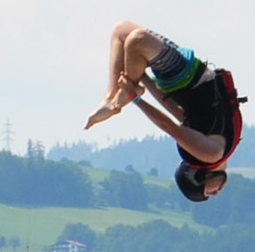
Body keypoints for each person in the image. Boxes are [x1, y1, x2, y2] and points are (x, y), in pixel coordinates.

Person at [83, 21, 244, 201]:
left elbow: (170, 126)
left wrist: (135, 98)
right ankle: (112, 98)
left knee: (133, 38)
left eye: (209, 192)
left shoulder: (210, 154)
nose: (216, 193)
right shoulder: (218, 148)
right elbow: (176, 111)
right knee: (123, 32)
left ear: (196, 177)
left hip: (182, 75)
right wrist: (143, 79)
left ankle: (113, 101)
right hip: (185, 70)